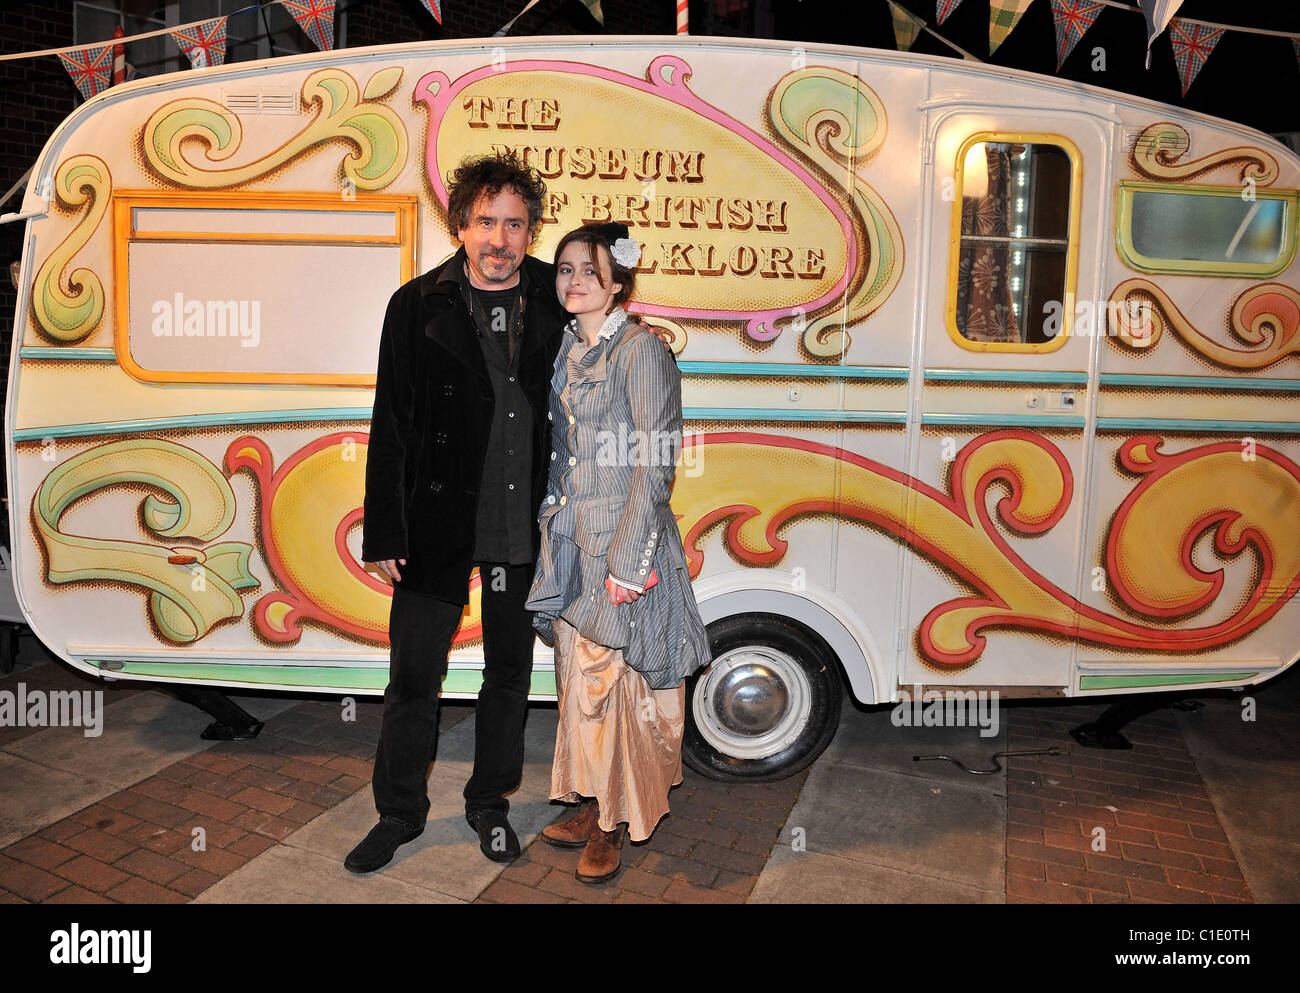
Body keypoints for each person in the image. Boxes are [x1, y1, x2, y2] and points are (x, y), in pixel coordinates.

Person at [346, 155, 568, 873]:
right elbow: (392, 423)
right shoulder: (416, 305)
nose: (500, 239)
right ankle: (400, 812)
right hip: (436, 522)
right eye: (486, 222)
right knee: (414, 676)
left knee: (508, 672)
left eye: (515, 223)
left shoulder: (555, 295)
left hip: (519, 526)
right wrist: (386, 526)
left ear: (531, 230)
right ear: (460, 225)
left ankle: (489, 802)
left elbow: (609, 337)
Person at [526, 222, 712, 884]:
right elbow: (560, 448)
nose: (572, 281)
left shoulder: (642, 353)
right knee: (576, 683)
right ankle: (589, 798)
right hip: (574, 544)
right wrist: (551, 516)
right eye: (565, 269)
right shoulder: (567, 350)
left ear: (618, 281)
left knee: (615, 690)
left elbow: (655, 467)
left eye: (588, 270)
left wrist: (629, 566)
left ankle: (613, 821)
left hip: (625, 551)